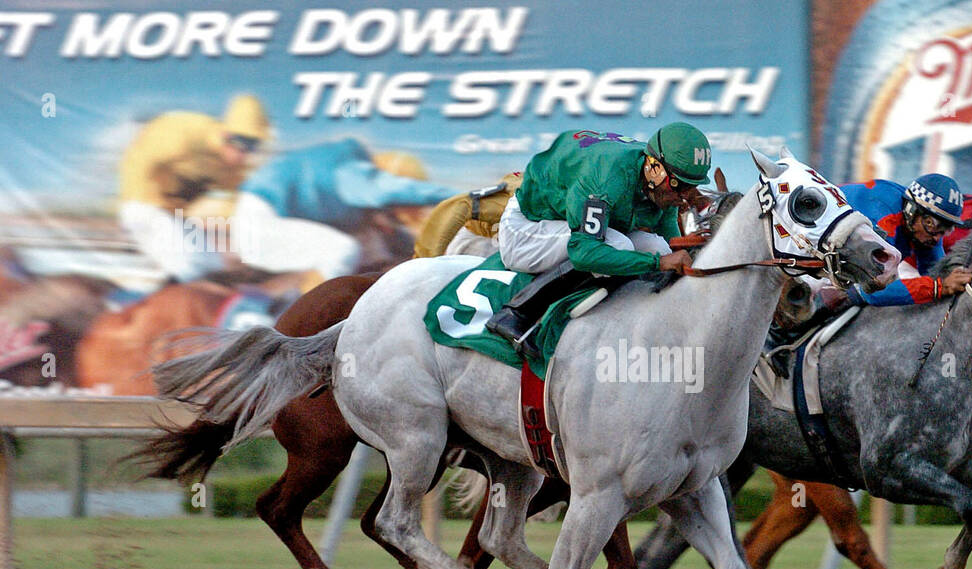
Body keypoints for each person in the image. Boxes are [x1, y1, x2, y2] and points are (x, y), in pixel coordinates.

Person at [485, 123, 712, 353]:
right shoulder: (606, 176)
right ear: (654, 169)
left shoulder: (659, 178)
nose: (685, 197)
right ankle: (515, 313)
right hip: (526, 228)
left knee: (658, 247)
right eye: (680, 185)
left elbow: (669, 243)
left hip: (569, 217)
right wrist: (659, 263)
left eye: (691, 188)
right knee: (618, 245)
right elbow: (584, 253)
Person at [234, 139, 456, 283]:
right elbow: (397, 190)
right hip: (263, 219)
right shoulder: (357, 175)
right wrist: (465, 197)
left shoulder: (346, 183)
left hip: (275, 214)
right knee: (342, 251)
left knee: (365, 248)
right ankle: (311, 330)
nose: (396, 217)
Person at [118, 94, 270, 281]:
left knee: (215, 266)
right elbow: (140, 161)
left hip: (175, 214)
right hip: (143, 204)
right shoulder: (184, 136)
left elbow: (242, 200)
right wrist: (136, 210)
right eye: (239, 143)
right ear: (225, 134)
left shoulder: (235, 168)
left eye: (252, 146)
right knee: (189, 266)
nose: (242, 153)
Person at [836, 173, 972, 306]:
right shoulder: (885, 219)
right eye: (931, 224)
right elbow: (873, 290)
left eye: (946, 229)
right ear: (911, 210)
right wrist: (939, 287)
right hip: (821, 246)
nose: (937, 238)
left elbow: (939, 274)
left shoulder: (927, 230)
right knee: (842, 295)